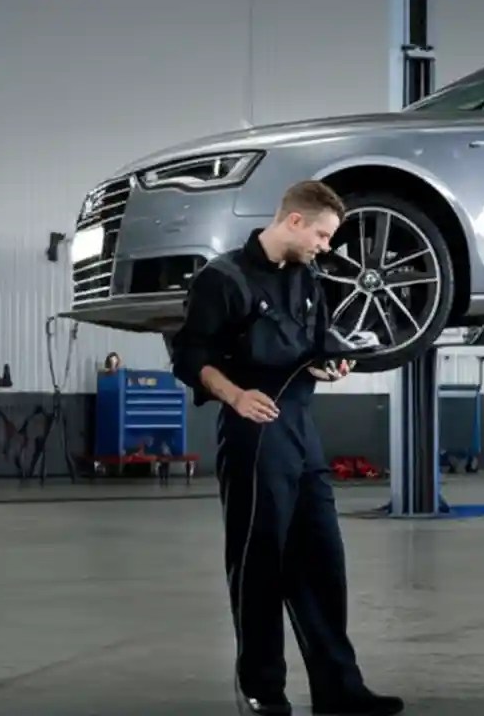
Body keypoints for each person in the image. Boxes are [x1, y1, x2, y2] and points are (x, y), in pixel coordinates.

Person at [170, 181, 404, 716]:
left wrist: (334, 362)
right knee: (259, 562)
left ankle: (340, 690)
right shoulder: (221, 278)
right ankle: (262, 690)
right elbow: (189, 356)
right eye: (322, 234)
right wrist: (234, 395)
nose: (326, 245)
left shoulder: (308, 278)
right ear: (294, 222)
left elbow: (316, 344)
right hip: (254, 432)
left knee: (323, 560)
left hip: (301, 428)